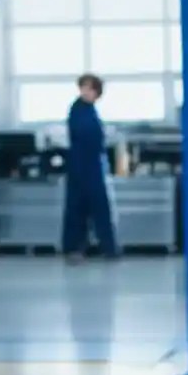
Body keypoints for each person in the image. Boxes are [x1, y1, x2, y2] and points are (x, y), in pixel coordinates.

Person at [62, 73, 119, 263]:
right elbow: (86, 136)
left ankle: (108, 248)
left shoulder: (90, 110)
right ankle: (74, 249)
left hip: (93, 166)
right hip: (80, 167)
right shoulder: (77, 110)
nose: (86, 92)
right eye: (84, 88)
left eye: (90, 88)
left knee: (100, 208)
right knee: (77, 210)